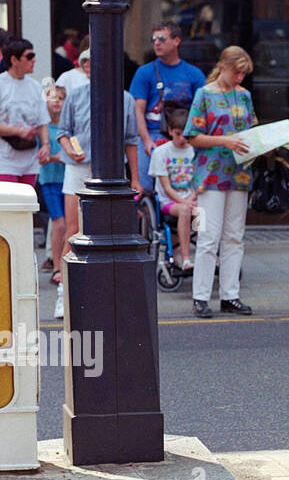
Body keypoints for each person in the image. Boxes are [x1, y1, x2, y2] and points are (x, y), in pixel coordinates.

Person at [57, 58, 142, 320]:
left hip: (112, 169)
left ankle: (108, 295)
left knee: (112, 231)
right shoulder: (76, 96)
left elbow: (130, 139)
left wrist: (135, 177)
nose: (93, 67)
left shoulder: (125, 99)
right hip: (79, 167)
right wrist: (71, 149)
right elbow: (63, 132)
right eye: (88, 63)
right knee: (73, 227)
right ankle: (64, 292)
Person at [185, 45, 258, 317]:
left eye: (243, 74)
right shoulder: (204, 95)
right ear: (223, 67)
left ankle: (231, 294)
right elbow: (193, 135)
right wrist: (225, 140)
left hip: (238, 174)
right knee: (207, 237)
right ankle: (200, 296)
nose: (240, 78)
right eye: (237, 72)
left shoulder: (245, 96)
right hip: (208, 176)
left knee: (234, 237)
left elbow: (251, 129)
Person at [130, 21, 207, 192]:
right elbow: (138, 110)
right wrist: (146, 140)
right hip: (152, 133)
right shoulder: (144, 72)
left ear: (176, 41)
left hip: (183, 134)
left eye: (162, 39)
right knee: (145, 187)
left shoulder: (193, 74)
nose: (157, 43)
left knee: (186, 185)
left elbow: (201, 111)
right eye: (154, 39)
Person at [148, 107, 200, 271]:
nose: (182, 139)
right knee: (185, 210)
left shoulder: (195, 151)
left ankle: (205, 255)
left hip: (191, 198)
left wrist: (191, 200)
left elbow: (199, 182)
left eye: (185, 134)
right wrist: (186, 202)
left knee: (202, 212)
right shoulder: (162, 152)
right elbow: (166, 187)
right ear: (170, 131)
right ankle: (185, 258)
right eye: (178, 134)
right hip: (169, 201)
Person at [0, 39, 52, 189]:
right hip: (4, 160)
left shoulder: (35, 87)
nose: (34, 60)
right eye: (29, 56)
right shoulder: (2, 84)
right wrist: (19, 131)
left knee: (27, 206)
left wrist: (46, 145)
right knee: (9, 206)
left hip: (30, 160)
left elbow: (42, 122)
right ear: (14, 60)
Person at [39, 84, 67, 281]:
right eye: (51, 96)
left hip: (67, 181)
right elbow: (40, 154)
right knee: (59, 224)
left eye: (60, 97)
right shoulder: (43, 128)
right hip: (49, 181)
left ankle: (64, 264)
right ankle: (57, 266)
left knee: (69, 225)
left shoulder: (67, 127)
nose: (56, 100)